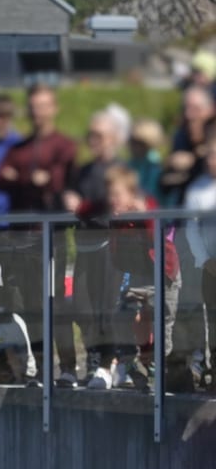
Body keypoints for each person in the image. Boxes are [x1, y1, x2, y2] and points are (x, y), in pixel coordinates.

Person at [0, 84, 76, 372]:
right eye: (32, 107)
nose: (37, 112)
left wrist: (23, 177)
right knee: (30, 304)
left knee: (55, 304)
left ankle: (66, 366)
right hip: (22, 238)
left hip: (50, 238)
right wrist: (31, 178)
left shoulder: (64, 145)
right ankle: (42, 364)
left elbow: (57, 181)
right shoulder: (20, 148)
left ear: (53, 108)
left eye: (42, 106)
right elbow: (2, 178)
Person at [84, 166, 181, 391]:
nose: (112, 200)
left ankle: (160, 367)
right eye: (109, 195)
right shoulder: (115, 213)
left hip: (162, 274)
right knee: (123, 314)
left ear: (132, 194)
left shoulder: (147, 207)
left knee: (163, 322)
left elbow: (156, 236)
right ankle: (133, 360)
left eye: (117, 195)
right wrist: (95, 202)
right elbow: (84, 210)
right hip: (137, 275)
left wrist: (144, 214)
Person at [61, 110, 126, 387]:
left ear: (113, 138)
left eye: (99, 135)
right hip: (85, 247)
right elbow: (71, 200)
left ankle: (109, 361)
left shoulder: (120, 170)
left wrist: (81, 207)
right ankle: (91, 358)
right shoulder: (84, 171)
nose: (94, 141)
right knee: (82, 308)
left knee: (107, 308)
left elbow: (112, 207)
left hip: (111, 247)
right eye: (91, 136)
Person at [183, 133, 216, 391]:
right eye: (209, 156)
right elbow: (191, 228)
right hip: (210, 266)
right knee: (213, 322)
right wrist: (204, 260)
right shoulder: (198, 189)